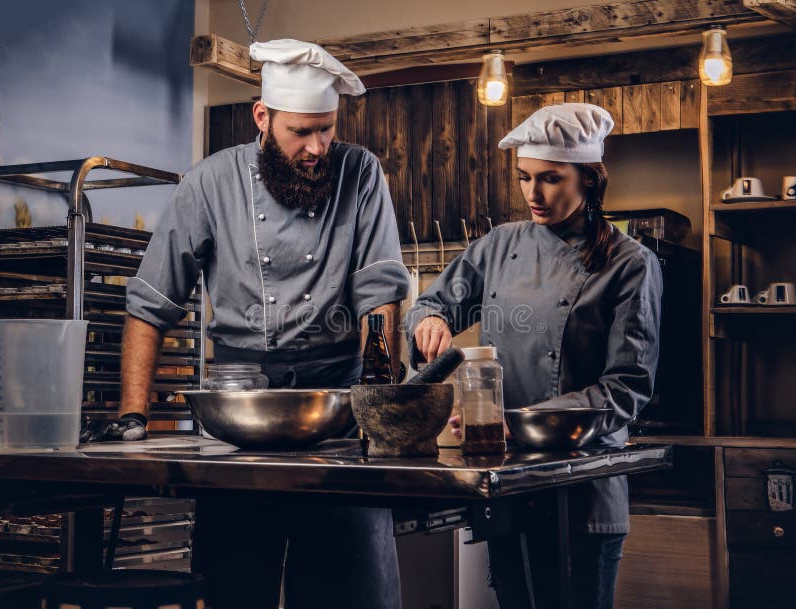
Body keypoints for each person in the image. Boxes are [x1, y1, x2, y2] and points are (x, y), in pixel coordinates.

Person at [89, 39, 409, 609]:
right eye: (300, 132)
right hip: (240, 413)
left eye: (326, 130)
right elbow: (151, 301)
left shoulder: (359, 173)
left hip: (336, 408)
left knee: (354, 590)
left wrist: (380, 397)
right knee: (236, 587)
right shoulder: (209, 183)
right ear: (262, 118)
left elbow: (379, 296)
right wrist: (132, 416)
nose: (317, 147)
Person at [406, 103, 663, 609]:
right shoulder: (500, 245)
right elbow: (430, 303)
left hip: (582, 487)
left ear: (589, 178)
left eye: (549, 178)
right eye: (524, 178)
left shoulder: (631, 263)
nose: (533, 194)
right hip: (507, 481)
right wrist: (429, 321)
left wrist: (521, 421)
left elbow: (626, 387)